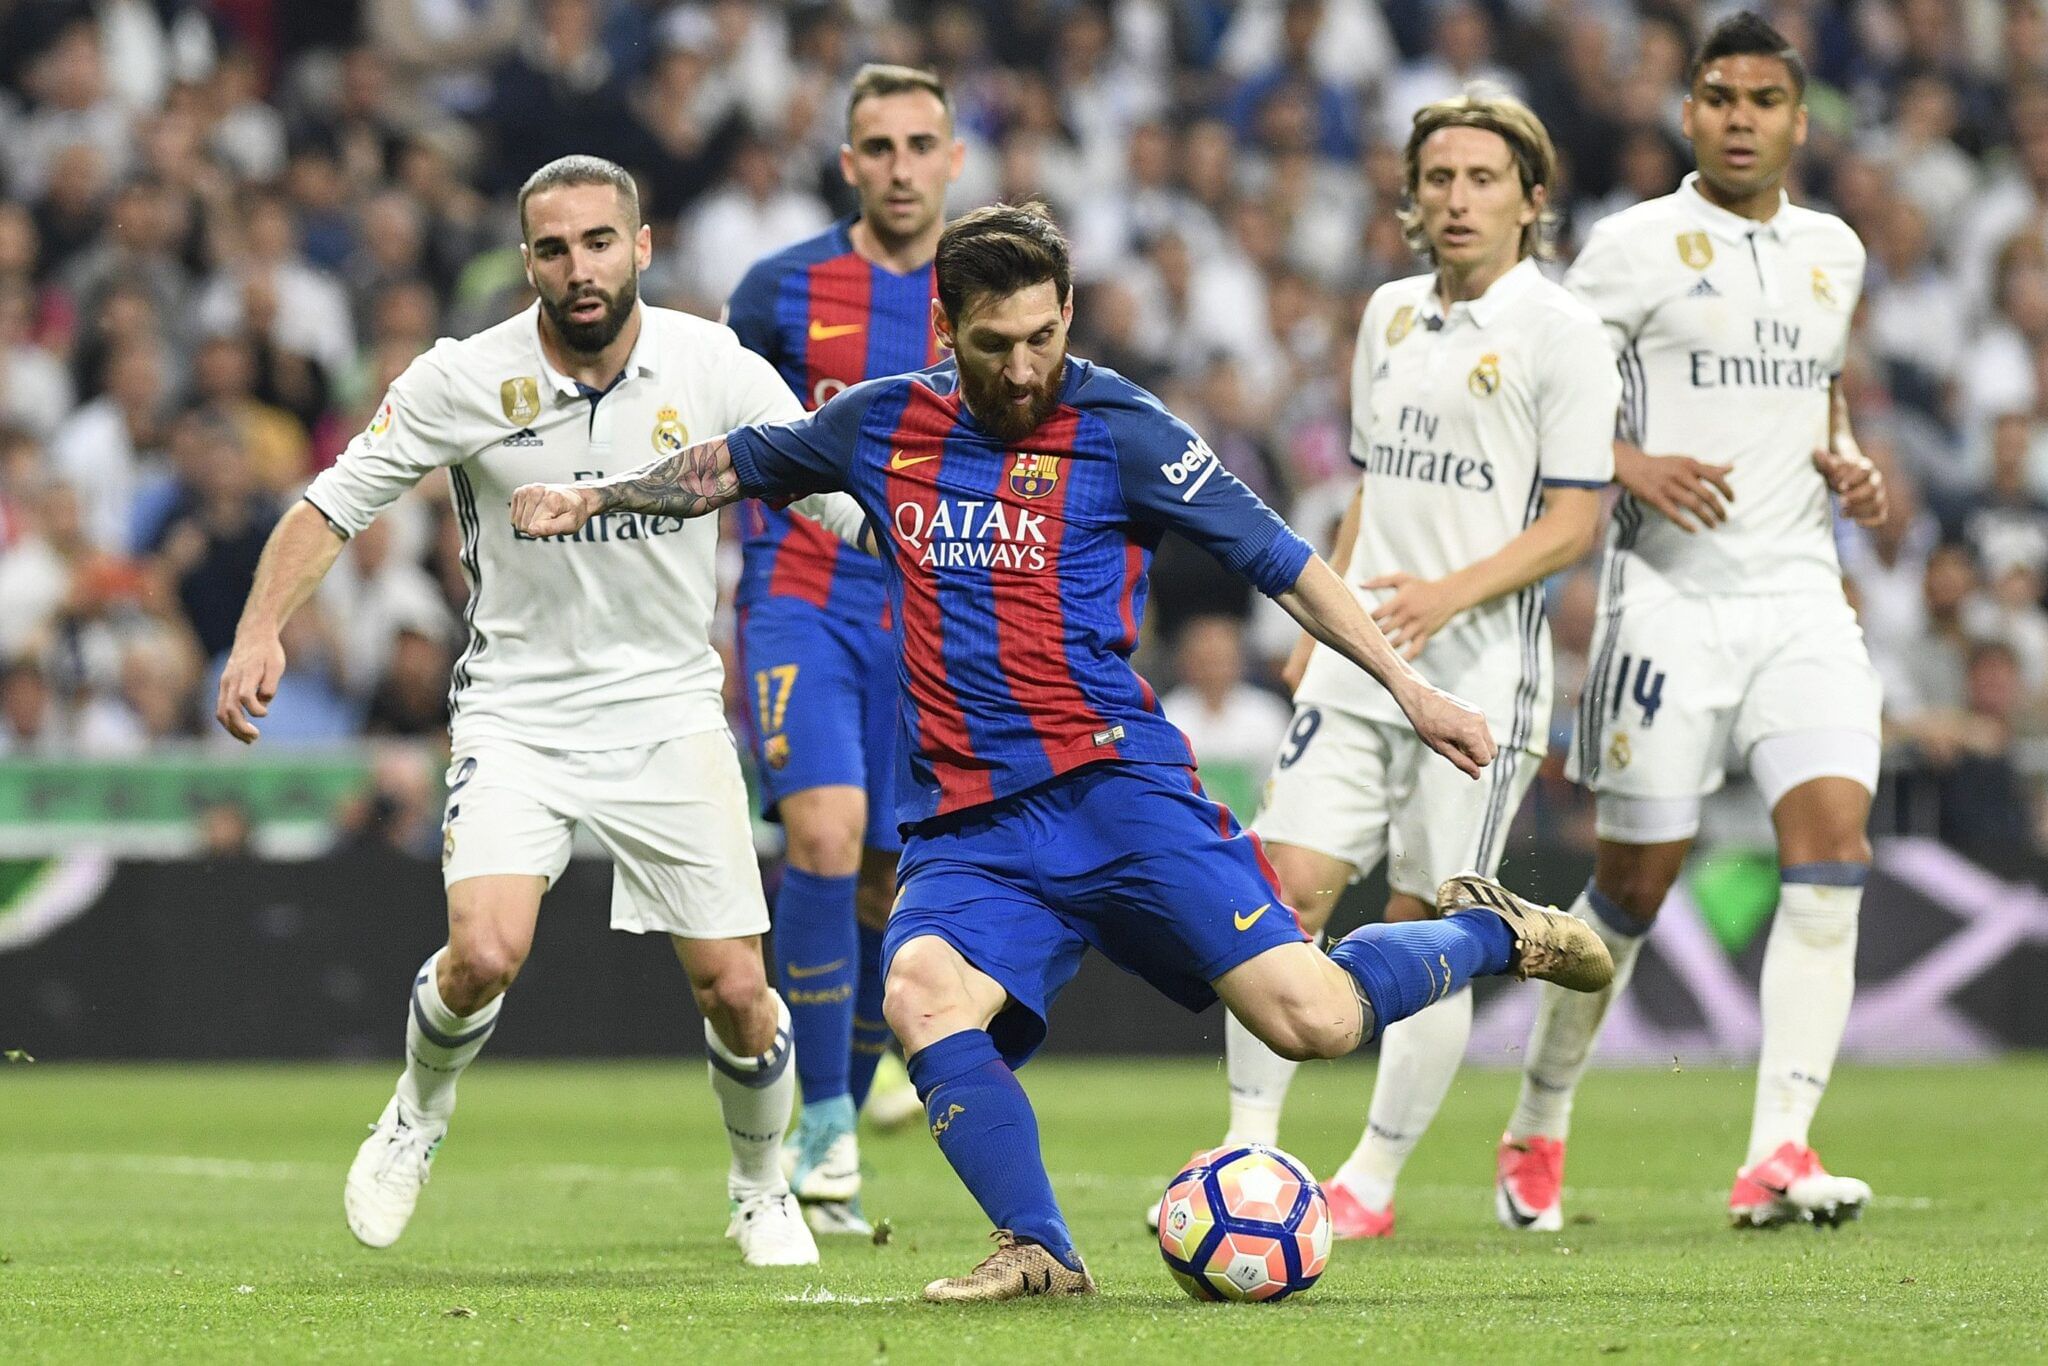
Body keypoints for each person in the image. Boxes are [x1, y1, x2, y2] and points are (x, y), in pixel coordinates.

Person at [508, 202, 1615, 1301]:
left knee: (1313, 1018)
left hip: (1116, 791)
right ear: (944, 329)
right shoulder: (880, 423)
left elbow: (1285, 562)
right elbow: (729, 467)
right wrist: (595, 496)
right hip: (971, 825)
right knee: (921, 994)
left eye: (1045, 337)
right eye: (995, 345)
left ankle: (1490, 932)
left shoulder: (1121, 426)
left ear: (1068, 313)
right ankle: (1037, 1245)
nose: (1026, 365)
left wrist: (1408, 688)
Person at [214, 155, 870, 1268]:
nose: (579, 268)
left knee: (739, 994)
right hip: (519, 710)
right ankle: (416, 1114)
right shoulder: (463, 377)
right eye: (554, 249)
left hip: (667, 708)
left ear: (641, 247)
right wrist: (259, 627)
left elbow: (825, 492)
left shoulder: (707, 362)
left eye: (598, 242)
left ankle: (761, 1188)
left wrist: (931, 546)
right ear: (527, 262)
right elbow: (332, 503)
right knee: (483, 950)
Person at [1179, 93, 1616, 1240]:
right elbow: (1373, 479)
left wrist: (1441, 596)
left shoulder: (1562, 332)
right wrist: (1325, 607)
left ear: (1531, 198)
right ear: (1411, 197)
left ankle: (1368, 1178)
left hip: (1476, 674)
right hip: (1358, 659)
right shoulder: (1385, 314)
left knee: (1431, 915)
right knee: (1275, 895)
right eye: (1437, 177)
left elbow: (1574, 521)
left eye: (1482, 177)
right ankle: (1250, 1148)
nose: (1456, 197)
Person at [1495, 13, 1889, 1234]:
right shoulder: (1631, 247)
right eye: (1716, 96)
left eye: (1760, 100)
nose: (1736, 117)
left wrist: (1846, 461)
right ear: (1687, 114)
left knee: (1830, 852)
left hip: (1796, 598)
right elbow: (1527, 383)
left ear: (1795, 120)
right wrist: (1625, 459)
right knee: (1631, 889)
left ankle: (1775, 1150)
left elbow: (1815, 394)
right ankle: (1536, 1123)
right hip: (1663, 602)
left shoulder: (1834, 252)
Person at [722, 64, 963, 1234]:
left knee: (882, 874)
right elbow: (720, 440)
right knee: (818, 833)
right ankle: (820, 1126)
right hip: (799, 595)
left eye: (922, 144)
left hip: (929, 618)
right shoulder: (778, 291)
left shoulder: (993, 291)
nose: (902, 165)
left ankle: (844, 1080)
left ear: (953, 160)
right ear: (848, 162)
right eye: (880, 145)